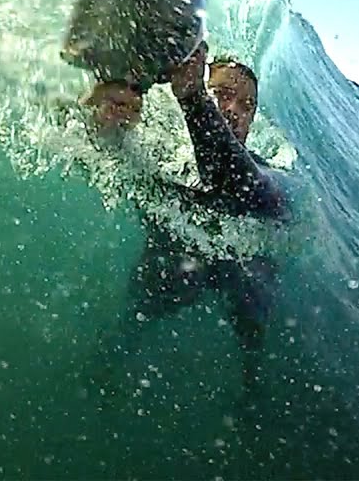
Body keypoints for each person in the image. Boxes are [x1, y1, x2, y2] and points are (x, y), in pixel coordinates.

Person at [83, 40, 289, 395]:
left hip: (240, 261)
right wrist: (105, 117)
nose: (235, 110)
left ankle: (252, 387)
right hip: (174, 255)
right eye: (223, 94)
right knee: (143, 306)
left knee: (252, 316)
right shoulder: (166, 145)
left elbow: (242, 190)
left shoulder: (262, 172)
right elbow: (106, 147)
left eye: (247, 105)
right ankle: (109, 360)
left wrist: (194, 97)